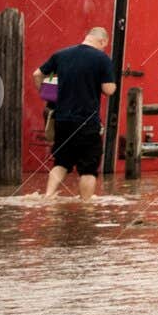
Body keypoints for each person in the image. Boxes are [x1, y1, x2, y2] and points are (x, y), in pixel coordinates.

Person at [32, 26, 117, 201]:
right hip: (87, 122)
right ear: (102, 41)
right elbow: (108, 90)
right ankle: (86, 206)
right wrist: (112, 85)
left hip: (62, 120)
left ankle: (48, 197)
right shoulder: (102, 59)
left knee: (61, 162)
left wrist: (48, 95)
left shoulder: (61, 55)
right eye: (104, 45)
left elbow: (37, 74)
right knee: (88, 167)